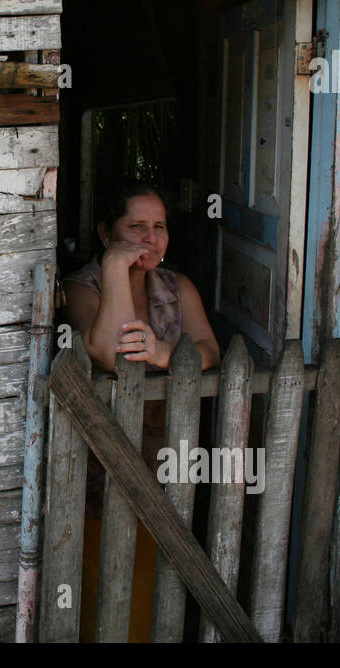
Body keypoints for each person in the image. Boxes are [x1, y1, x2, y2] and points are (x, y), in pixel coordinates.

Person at [60, 180, 221, 642]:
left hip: (166, 459)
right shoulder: (77, 288)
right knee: (104, 593)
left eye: (159, 226)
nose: (151, 238)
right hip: (98, 466)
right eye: (136, 227)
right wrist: (114, 268)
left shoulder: (177, 287)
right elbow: (109, 354)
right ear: (106, 231)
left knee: (154, 595)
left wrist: (163, 352)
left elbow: (209, 348)